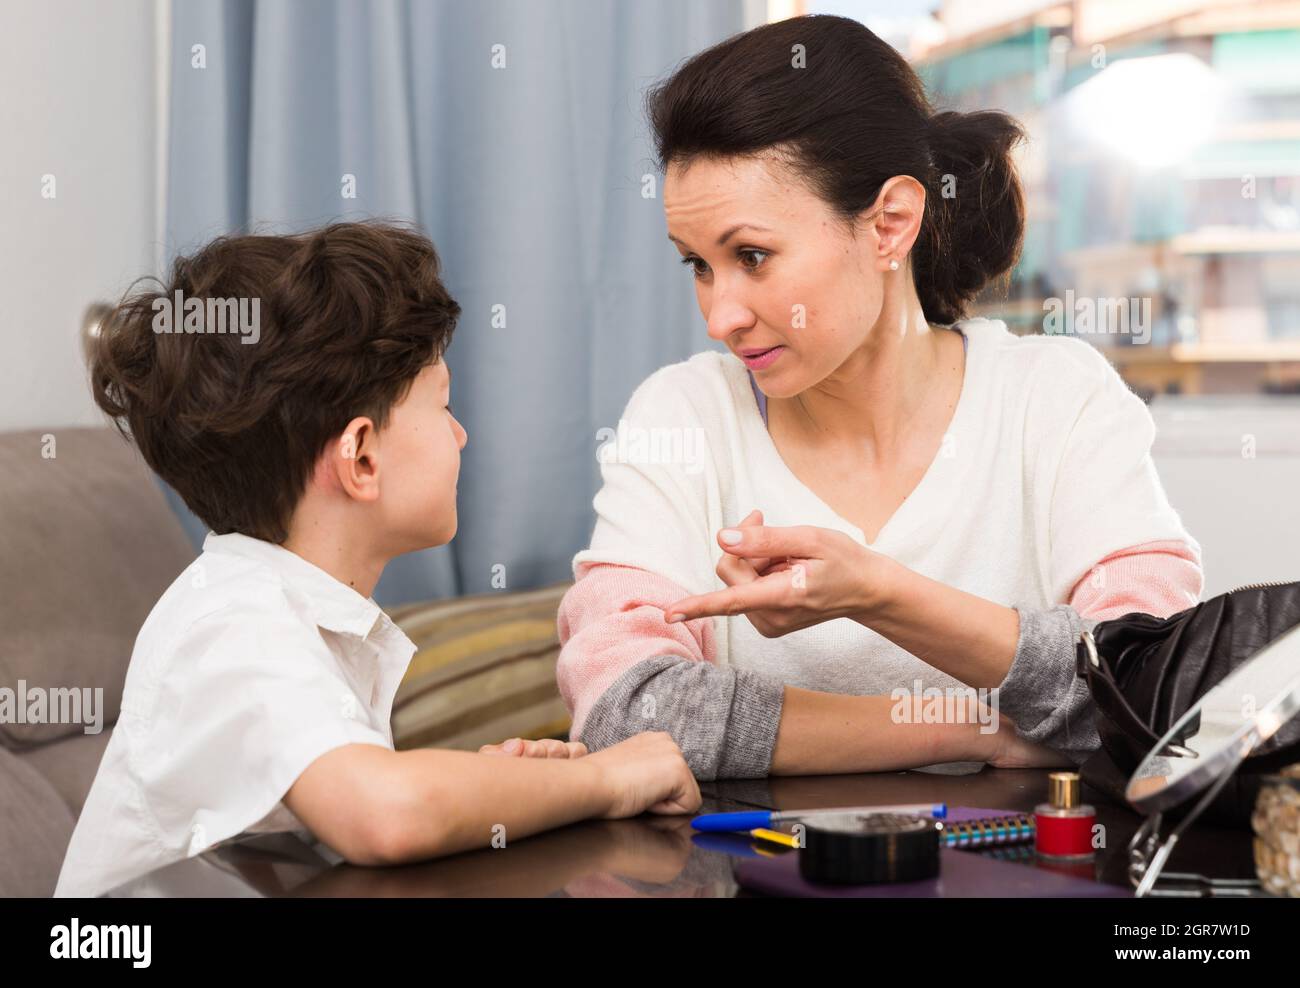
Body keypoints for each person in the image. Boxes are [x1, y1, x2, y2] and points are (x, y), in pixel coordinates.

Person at [543, 16, 1202, 781]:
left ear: (891, 224)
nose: (720, 316)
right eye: (698, 264)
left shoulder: (1058, 399)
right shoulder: (684, 415)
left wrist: (881, 593)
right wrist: (962, 729)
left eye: (751, 256)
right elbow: (629, 710)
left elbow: (1151, 693)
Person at [56, 221, 699, 898]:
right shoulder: (234, 623)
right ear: (360, 457)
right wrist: (606, 777)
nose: (461, 433)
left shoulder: (285, 612)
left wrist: (502, 788)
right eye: (443, 405)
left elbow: (354, 819)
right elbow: (388, 816)